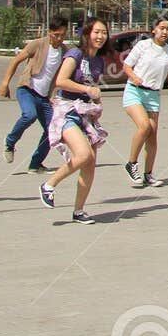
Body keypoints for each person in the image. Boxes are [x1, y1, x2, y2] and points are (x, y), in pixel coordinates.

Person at [40, 17, 110, 224]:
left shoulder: (99, 61)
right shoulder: (75, 54)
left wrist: (96, 98)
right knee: (83, 154)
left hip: (85, 113)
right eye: (96, 32)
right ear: (87, 34)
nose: (100, 36)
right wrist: (87, 89)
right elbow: (61, 81)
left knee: (90, 163)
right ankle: (49, 185)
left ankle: (78, 211)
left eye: (104, 33)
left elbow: (92, 87)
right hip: (67, 110)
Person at [121, 17, 168, 188]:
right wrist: (134, 77)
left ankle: (148, 174)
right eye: (161, 28)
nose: (165, 32)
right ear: (154, 30)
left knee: (152, 135)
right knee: (144, 126)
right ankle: (131, 163)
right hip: (135, 91)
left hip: (153, 95)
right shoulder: (143, 46)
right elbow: (127, 66)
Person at [0, 14, 69, 173]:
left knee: (53, 130)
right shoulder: (38, 44)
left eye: (63, 35)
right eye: (56, 35)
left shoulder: (64, 51)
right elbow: (15, 61)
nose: (59, 38)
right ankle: (9, 143)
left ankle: (35, 164)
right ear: (49, 32)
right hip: (27, 90)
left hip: (44, 98)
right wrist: (5, 83)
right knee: (29, 115)